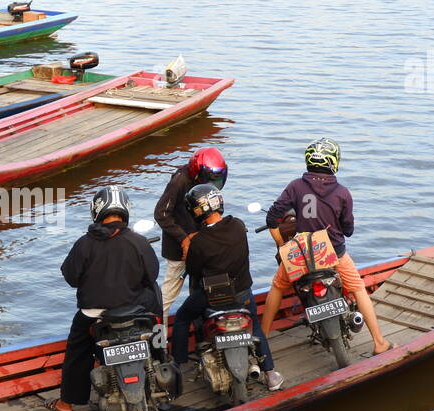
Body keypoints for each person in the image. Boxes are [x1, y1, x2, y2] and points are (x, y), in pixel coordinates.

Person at [259, 138, 393, 355]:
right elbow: (348, 229)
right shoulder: (342, 193)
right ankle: (379, 342)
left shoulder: (296, 186)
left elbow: (272, 218)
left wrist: (283, 246)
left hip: (301, 253)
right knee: (358, 289)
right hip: (334, 254)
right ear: (334, 162)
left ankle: (263, 341)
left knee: (277, 286)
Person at [52, 186, 162, 411]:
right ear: (124, 210)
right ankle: (161, 356)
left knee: (78, 351)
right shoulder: (138, 241)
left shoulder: (84, 243)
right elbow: (152, 274)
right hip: (135, 310)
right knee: (156, 301)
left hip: (95, 315)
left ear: (97, 211)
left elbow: (71, 277)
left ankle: (66, 403)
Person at [173, 184, 284, 391]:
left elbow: (194, 272)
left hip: (212, 298)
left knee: (181, 318)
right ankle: (270, 373)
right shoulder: (239, 226)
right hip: (242, 294)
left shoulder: (199, 242)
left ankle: (178, 366)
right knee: (256, 326)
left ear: (195, 212)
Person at [154, 147, 227, 318]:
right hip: (179, 248)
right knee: (168, 294)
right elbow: (161, 213)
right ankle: (159, 337)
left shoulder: (208, 186)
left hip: (202, 244)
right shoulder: (179, 181)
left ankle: (203, 329)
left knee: (203, 289)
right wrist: (184, 238)